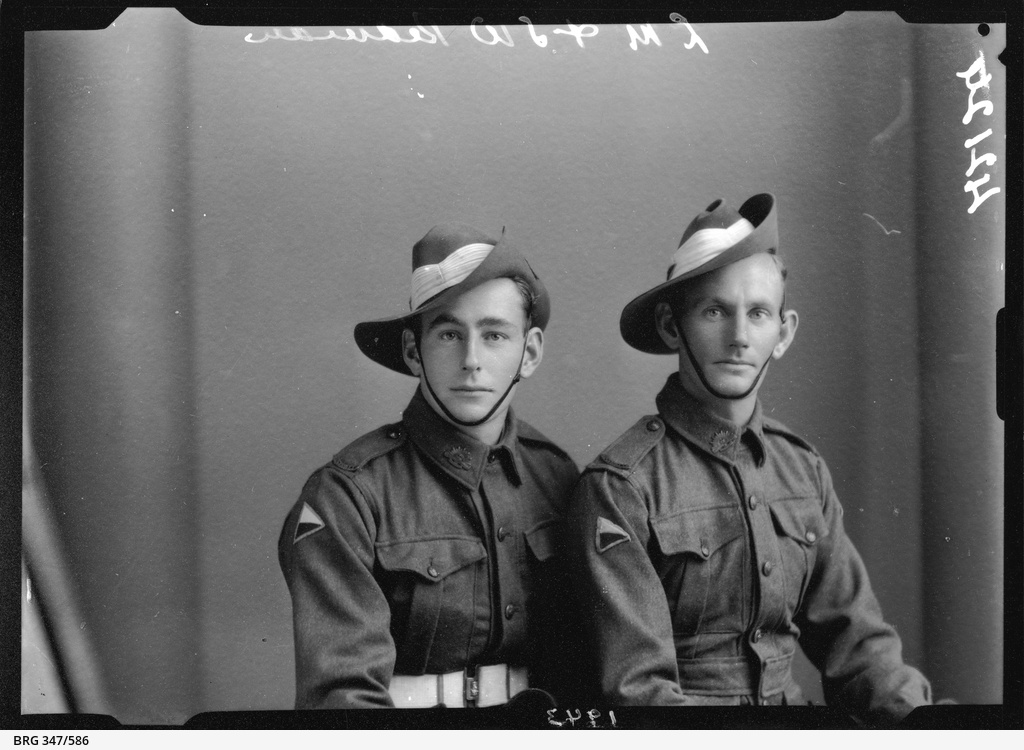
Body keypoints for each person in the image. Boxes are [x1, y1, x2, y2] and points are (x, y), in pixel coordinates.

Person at [565, 193, 934, 725]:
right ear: (671, 326)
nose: (739, 337)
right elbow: (641, 692)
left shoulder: (802, 470)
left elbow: (860, 649)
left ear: (783, 334)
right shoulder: (623, 487)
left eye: (758, 313)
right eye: (715, 311)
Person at [279, 223, 581, 709]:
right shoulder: (348, 496)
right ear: (412, 351)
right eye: (448, 334)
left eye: (494, 335)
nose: (471, 360)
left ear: (529, 353)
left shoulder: (556, 477)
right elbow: (344, 702)